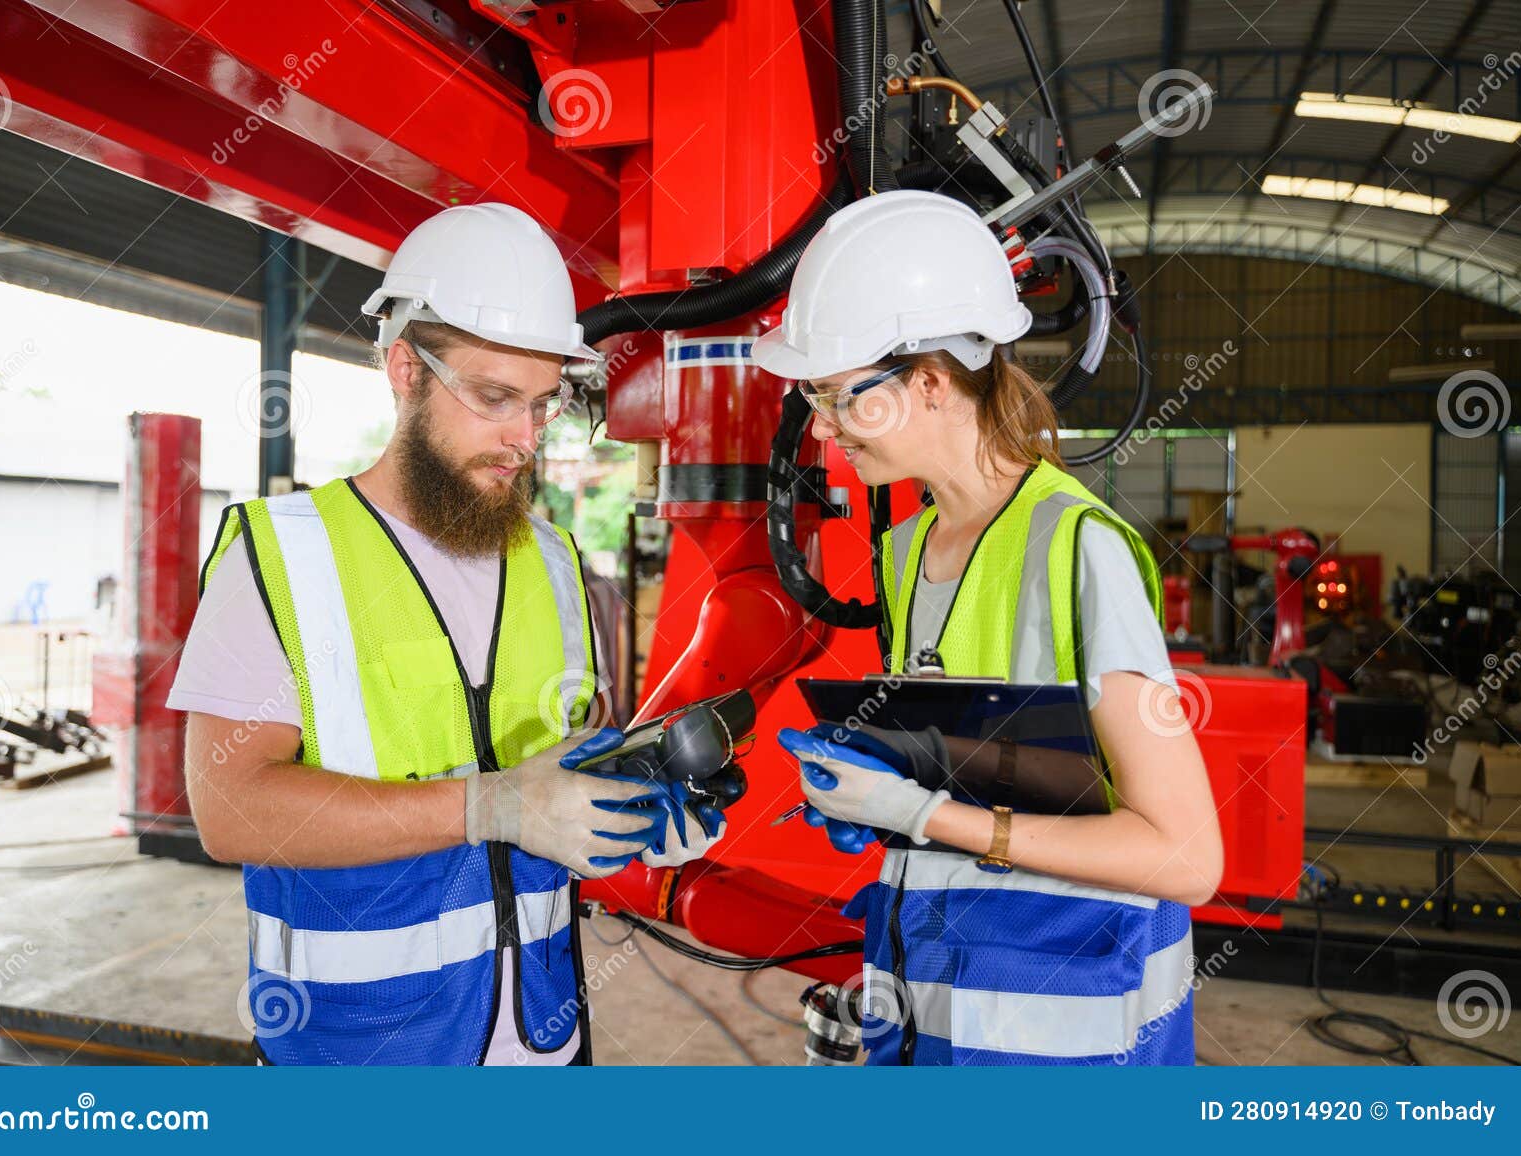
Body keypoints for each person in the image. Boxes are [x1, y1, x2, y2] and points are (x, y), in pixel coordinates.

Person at [170, 203, 719, 1066]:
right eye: (495, 398)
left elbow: (562, 781)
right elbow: (231, 809)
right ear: (404, 369)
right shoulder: (283, 557)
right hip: (364, 1057)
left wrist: (637, 814)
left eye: (544, 404)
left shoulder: (557, 563)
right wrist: (485, 807)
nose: (523, 439)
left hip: (543, 1039)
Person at [753, 190, 1223, 1066]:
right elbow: (983, 758)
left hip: (1068, 1032)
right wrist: (890, 801)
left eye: (838, 396)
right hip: (940, 994)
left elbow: (1186, 858)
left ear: (929, 382)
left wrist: (922, 815)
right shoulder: (904, 552)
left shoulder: (1080, 549)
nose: (819, 428)